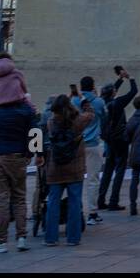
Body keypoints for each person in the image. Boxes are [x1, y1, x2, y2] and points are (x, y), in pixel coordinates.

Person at [0, 77, 41, 253]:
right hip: (19, 156)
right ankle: (21, 237)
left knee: (2, 199)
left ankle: (1, 240)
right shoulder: (26, 110)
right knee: (20, 198)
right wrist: (34, 154)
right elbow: (36, 131)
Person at [41, 93, 93, 247]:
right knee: (75, 203)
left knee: (53, 202)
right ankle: (73, 238)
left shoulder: (51, 121)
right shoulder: (78, 121)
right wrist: (83, 100)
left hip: (55, 167)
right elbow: (90, 115)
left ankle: (51, 238)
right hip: (75, 167)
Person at [98, 68, 138, 211]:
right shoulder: (118, 103)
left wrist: (120, 79)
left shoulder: (102, 102)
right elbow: (133, 92)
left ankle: (101, 199)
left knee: (108, 169)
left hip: (109, 139)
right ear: (113, 93)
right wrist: (131, 78)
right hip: (120, 139)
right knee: (120, 169)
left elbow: (111, 90)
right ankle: (114, 201)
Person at [73, 75, 108, 225]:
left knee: (76, 178)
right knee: (93, 179)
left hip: (77, 143)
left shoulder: (74, 101)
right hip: (93, 143)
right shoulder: (98, 101)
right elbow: (105, 117)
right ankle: (92, 212)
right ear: (93, 86)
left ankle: (77, 208)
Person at [125, 93, 140, 216]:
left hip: (135, 151)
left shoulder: (132, 119)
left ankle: (133, 206)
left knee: (135, 179)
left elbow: (127, 136)